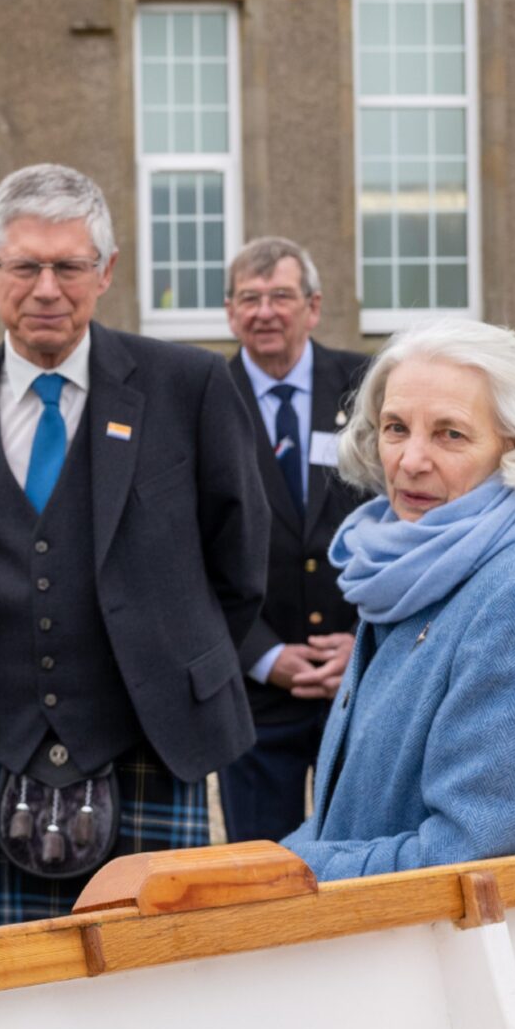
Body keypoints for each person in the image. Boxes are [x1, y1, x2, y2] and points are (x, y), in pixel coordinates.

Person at [0, 163, 268, 931]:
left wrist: (171, 666)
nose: (47, 289)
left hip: (149, 743)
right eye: (25, 266)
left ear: (107, 272)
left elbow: (241, 563)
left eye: (70, 266)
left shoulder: (188, 387)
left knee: (149, 1001)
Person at [282, 318, 515, 879]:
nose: (411, 460)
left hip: (460, 957)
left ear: (513, 445)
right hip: (382, 944)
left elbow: (472, 854)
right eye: (395, 427)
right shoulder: (407, 561)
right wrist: (243, 867)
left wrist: (286, 871)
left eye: (450, 434)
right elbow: (342, 819)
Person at [219, 238, 372, 843]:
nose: (265, 312)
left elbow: (408, 519)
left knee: (368, 875)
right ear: (230, 312)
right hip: (253, 696)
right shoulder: (200, 398)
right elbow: (184, 553)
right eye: (249, 299)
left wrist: (367, 642)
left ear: (313, 306)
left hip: (362, 682)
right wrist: (260, 654)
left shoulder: (369, 387)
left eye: (281, 296)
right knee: (260, 883)